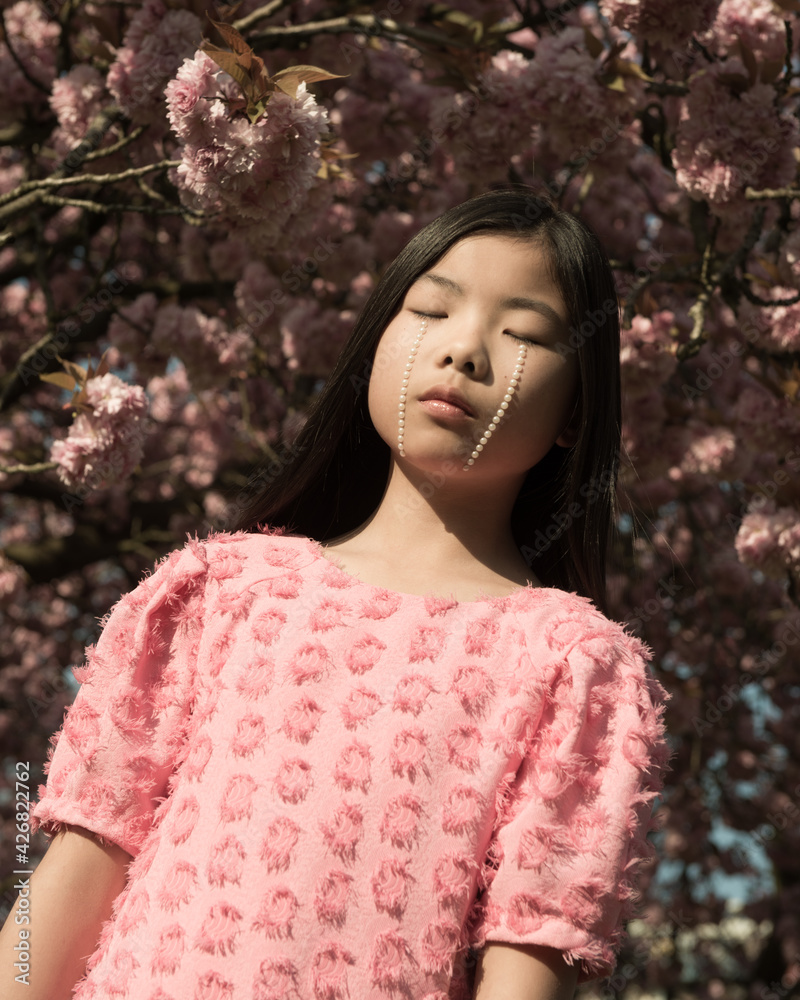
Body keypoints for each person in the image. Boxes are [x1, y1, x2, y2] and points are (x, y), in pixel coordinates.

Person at [0, 189, 672, 1000]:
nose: (465, 352)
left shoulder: (576, 665)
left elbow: (529, 961)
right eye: (432, 311)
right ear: (375, 343)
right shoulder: (221, 589)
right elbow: (74, 876)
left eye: (524, 335)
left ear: (575, 412)